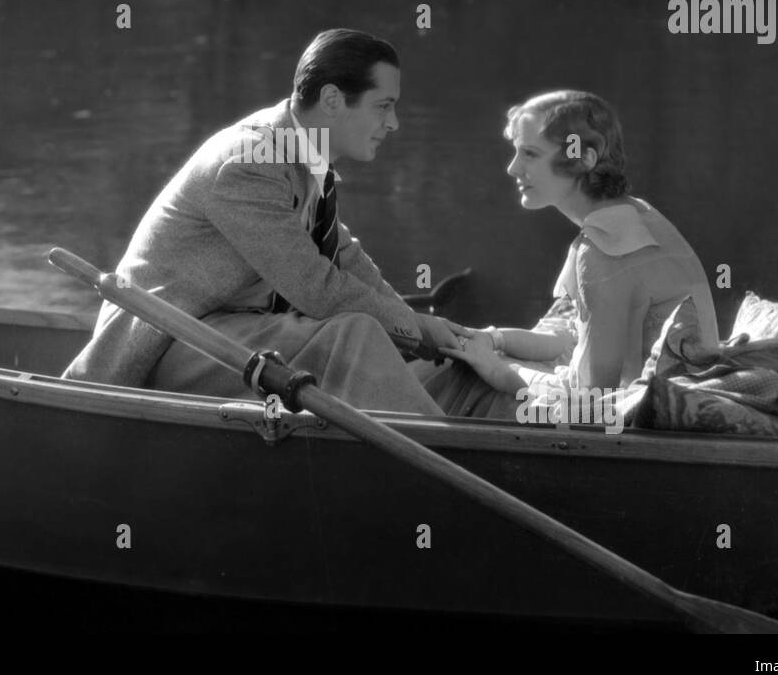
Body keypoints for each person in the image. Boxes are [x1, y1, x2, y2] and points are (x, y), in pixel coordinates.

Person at [63, 29, 457, 415]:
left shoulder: (299, 151)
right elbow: (315, 288)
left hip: (230, 335)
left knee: (377, 336)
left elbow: (345, 259)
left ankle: (446, 422)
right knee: (351, 335)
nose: (394, 123)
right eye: (383, 106)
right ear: (333, 99)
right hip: (170, 346)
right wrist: (415, 331)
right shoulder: (251, 163)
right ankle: (450, 451)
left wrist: (416, 327)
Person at [422, 90, 720, 420]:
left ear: (584, 158)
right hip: (656, 398)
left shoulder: (602, 252)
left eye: (530, 154)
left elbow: (588, 399)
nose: (512, 168)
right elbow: (571, 338)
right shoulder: (636, 216)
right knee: (468, 364)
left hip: (644, 425)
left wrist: (496, 370)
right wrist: (493, 340)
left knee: (467, 382)